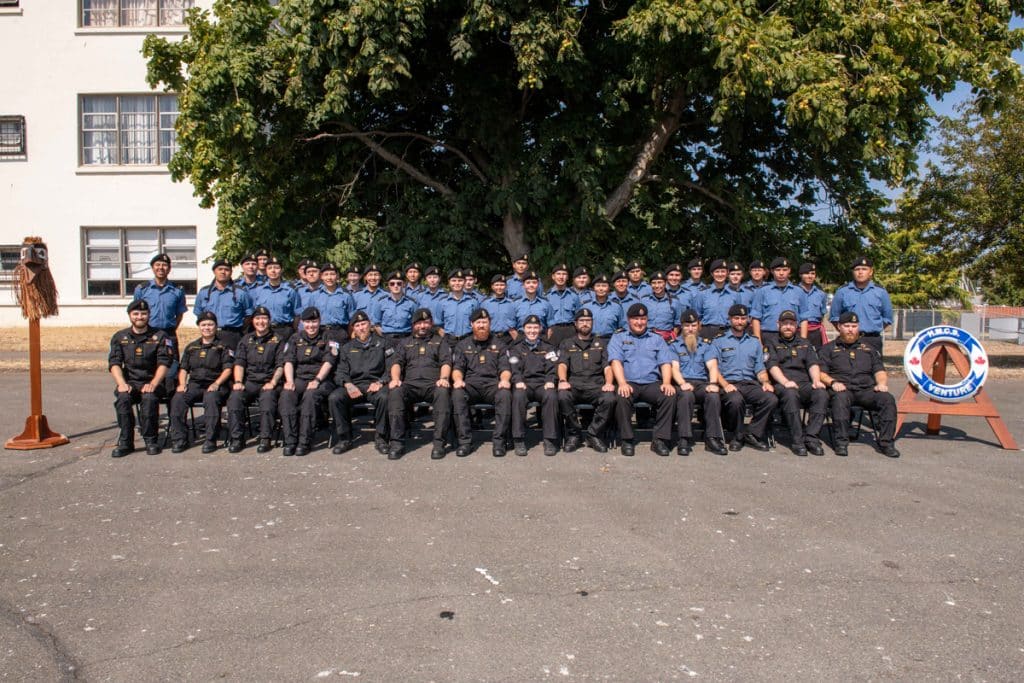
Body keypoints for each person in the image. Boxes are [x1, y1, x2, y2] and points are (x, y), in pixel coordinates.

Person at [817, 311, 900, 457]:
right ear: (839, 327)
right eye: (847, 326)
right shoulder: (828, 349)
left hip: (865, 390)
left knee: (887, 399)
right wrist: (833, 382)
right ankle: (841, 442)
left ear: (858, 327)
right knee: (840, 399)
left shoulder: (869, 349)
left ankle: (886, 443)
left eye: (854, 326)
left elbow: (879, 370)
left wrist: (881, 384)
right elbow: (821, 373)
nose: (850, 329)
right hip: (842, 389)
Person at [607, 303, 676, 456]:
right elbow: (615, 361)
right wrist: (622, 383)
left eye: (643, 319)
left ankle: (660, 439)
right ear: (628, 320)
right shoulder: (619, 337)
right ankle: (627, 439)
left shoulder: (656, 339)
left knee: (669, 395)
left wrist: (666, 383)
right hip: (629, 382)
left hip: (651, 383)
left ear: (647, 320)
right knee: (621, 396)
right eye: (635, 319)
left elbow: (665, 362)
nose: (639, 322)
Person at [108, 300, 173, 457]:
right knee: (122, 399)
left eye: (143, 314)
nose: (140, 317)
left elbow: (164, 363)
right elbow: (114, 363)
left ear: (148, 315)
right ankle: (126, 442)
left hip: (153, 381)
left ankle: (151, 440)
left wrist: (153, 384)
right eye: (136, 314)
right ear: (130, 315)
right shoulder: (120, 337)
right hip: (129, 382)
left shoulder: (160, 336)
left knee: (149, 399)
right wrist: (122, 384)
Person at [387, 308, 452, 460]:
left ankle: (439, 443)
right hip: (410, 385)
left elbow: (446, 362)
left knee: (443, 393)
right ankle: (397, 443)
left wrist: (444, 378)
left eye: (426, 323)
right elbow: (397, 363)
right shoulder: (404, 343)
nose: (423, 326)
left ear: (431, 324)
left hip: (432, 385)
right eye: (419, 323)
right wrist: (395, 379)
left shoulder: (440, 341)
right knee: (396, 392)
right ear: (413, 325)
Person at [712, 304, 778, 452]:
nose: (740, 321)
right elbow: (713, 368)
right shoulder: (718, 341)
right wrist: (725, 384)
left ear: (748, 320)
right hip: (728, 383)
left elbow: (759, 368)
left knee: (770, 398)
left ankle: (752, 433)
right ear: (729, 319)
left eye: (743, 318)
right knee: (735, 401)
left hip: (749, 383)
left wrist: (766, 382)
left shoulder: (754, 342)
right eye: (736, 318)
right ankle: (737, 436)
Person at [450, 308, 513, 457]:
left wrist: (504, 380)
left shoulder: (500, 344)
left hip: (492, 385)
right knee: (457, 395)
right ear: (472, 324)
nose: (482, 325)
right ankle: (465, 442)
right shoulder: (462, 345)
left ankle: (499, 442)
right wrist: (458, 380)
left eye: (485, 322)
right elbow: (458, 368)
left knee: (505, 395)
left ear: (490, 324)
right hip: (471, 385)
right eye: (478, 322)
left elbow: (505, 368)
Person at [169, 311, 233, 453]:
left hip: (216, 385)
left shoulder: (223, 347)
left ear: (216, 326)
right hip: (195, 385)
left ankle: (210, 439)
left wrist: (217, 383)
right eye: (203, 325)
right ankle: (180, 439)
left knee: (211, 398)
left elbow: (228, 369)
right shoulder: (192, 347)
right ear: (199, 326)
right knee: (178, 398)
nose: (207, 328)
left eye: (210, 324)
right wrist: (181, 384)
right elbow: (184, 368)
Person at [766, 310, 828, 456]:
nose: (788, 327)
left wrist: (816, 381)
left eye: (792, 324)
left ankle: (811, 438)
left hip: (804, 383)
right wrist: (785, 382)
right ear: (778, 325)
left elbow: (813, 364)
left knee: (821, 394)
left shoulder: (805, 343)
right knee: (791, 394)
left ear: (796, 326)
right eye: (785, 323)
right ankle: (797, 440)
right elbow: (772, 366)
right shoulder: (771, 343)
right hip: (782, 384)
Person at [328, 310, 390, 455]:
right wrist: (348, 384)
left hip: (375, 385)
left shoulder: (383, 344)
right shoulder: (347, 348)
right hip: (354, 385)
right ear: (353, 329)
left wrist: (381, 382)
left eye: (364, 324)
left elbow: (391, 367)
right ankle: (344, 438)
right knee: (335, 398)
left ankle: (381, 438)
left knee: (385, 398)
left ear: (370, 325)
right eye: (358, 325)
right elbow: (340, 372)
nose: (361, 328)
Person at [279, 307, 338, 456]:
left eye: (314, 322)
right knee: (287, 395)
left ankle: (304, 442)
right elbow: (288, 361)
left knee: (310, 397)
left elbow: (329, 361)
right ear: (302, 323)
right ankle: (290, 440)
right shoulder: (295, 338)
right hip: (299, 378)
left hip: (323, 379)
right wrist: (289, 381)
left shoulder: (328, 337)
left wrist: (317, 379)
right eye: (307, 322)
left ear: (319, 321)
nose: (311, 326)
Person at [226, 306, 286, 453]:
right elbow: (239, 363)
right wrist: (238, 382)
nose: (261, 322)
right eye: (258, 319)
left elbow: (281, 364)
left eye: (264, 319)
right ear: (253, 321)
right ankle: (237, 438)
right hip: (250, 381)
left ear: (269, 321)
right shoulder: (246, 340)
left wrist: (272, 382)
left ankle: (265, 438)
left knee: (267, 399)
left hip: (269, 381)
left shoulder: (278, 340)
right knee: (235, 398)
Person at [557, 308, 615, 453]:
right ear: (575, 324)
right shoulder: (567, 343)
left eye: (588, 321)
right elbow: (562, 364)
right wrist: (563, 380)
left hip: (595, 384)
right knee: (563, 396)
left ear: (592, 323)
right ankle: (574, 434)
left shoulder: (601, 343)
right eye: (582, 321)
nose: (585, 323)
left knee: (609, 399)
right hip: (575, 384)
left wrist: (608, 383)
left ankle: (593, 434)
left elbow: (607, 367)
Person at [670, 310, 728, 456]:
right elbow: (674, 368)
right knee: (686, 396)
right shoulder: (674, 345)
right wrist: (682, 383)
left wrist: (714, 383)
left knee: (713, 396)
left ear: (699, 326)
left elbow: (712, 366)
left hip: (702, 382)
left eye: (693, 325)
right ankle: (684, 438)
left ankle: (712, 438)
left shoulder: (706, 345)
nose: (690, 329)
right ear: (681, 326)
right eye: (687, 325)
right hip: (682, 382)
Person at [508, 314, 561, 456]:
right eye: (529, 327)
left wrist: (550, 380)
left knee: (551, 396)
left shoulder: (549, 348)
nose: (532, 331)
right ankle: (518, 439)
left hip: (542, 384)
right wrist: (518, 380)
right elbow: (514, 368)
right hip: (523, 384)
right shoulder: (515, 348)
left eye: (535, 327)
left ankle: (550, 439)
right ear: (523, 329)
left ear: (541, 329)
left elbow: (552, 367)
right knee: (518, 396)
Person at [829, 256, 893, 355]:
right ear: (853, 272)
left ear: (871, 272)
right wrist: (847, 332)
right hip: (848, 340)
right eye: (857, 269)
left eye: (864, 269)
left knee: (874, 369)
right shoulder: (843, 292)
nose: (860, 272)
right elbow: (834, 317)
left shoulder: (880, 292)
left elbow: (887, 318)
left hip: (872, 340)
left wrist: (873, 329)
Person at [132, 252, 186, 356]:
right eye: (157, 265)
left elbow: (180, 313)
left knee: (172, 366)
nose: (161, 268)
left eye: (164, 265)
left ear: (169, 269)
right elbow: (135, 312)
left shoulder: (177, 290)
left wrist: (172, 328)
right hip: (147, 333)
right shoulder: (142, 289)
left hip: (169, 334)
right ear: (152, 268)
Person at [193, 259, 253, 350]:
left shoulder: (241, 293)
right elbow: (199, 313)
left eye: (226, 269)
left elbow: (249, 315)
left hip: (233, 336)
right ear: (214, 271)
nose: (223, 272)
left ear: (231, 272)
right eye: (220, 269)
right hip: (210, 335)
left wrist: (238, 328)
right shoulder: (204, 292)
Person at [750, 257, 804, 348]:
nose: (781, 273)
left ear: (789, 271)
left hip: (792, 335)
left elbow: (804, 319)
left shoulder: (798, 291)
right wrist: (758, 342)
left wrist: (803, 341)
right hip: (768, 335)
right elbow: (756, 318)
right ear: (772, 271)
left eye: (784, 270)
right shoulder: (762, 291)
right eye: (778, 270)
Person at [251, 256, 300, 341]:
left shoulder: (291, 290)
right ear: (266, 270)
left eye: (276, 268)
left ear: (281, 270)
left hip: (285, 331)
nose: (273, 271)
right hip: (265, 331)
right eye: (270, 268)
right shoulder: (259, 290)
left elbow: (297, 314)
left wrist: (292, 330)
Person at [693, 259, 740, 342]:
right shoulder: (702, 293)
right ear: (712, 274)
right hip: (707, 333)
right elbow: (697, 317)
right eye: (717, 271)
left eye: (723, 271)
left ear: (727, 273)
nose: (720, 274)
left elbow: (738, 315)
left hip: (728, 332)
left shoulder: (735, 294)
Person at [314, 262, 355, 343]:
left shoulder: (346, 295)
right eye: (326, 274)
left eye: (332, 274)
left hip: (339, 333)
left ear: (337, 276)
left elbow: (352, 320)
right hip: (320, 333)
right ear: (321, 276)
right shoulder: (315, 295)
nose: (329, 277)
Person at [373, 271, 418, 342]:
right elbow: (376, 324)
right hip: (386, 339)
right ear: (388, 285)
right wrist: (384, 338)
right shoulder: (381, 302)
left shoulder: (411, 303)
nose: (395, 286)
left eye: (399, 283)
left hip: (406, 338)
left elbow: (416, 323)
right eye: (392, 284)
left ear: (403, 285)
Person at [438, 268, 479, 341]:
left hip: (468, 340)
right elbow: (438, 322)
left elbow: (477, 322)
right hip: (448, 341)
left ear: (464, 282)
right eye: (453, 280)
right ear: (449, 282)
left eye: (460, 280)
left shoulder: (473, 302)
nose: (457, 283)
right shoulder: (442, 302)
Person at [546, 263, 581, 346]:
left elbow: (579, 316)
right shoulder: (547, 296)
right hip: (553, 331)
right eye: (558, 274)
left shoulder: (574, 296)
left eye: (564, 274)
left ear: (568, 277)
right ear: (553, 276)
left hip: (570, 330)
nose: (561, 277)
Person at [641, 270, 683, 341]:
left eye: (660, 282)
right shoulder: (644, 300)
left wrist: (672, 337)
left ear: (665, 283)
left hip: (666, 339)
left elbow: (678, 323)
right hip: (646, 338)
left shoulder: (674, 301)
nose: (657, 286)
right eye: (654, 283)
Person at [797, 262, 829, 348]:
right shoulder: (793, 292)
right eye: (807, 273)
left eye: (812, 273)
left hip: (815, 331)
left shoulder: (821, 294)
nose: (810, 276)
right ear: (800, 275)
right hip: (797, 330)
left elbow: (822, 314)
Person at [480, 274, 518, 343]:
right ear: (492, 286)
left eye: (502, 285)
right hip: (490, 337)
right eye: (497, 285)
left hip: (508, 338)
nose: (499, 287)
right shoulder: (485, 304)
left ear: (506, 287)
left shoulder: (513, 303)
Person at [588, 274, 625, 340]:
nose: (601, 289)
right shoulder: (586, 306)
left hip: (611, 340)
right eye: (598, 286)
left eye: (604, 286)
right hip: (591, 340)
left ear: (608, 288)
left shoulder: (616, 307)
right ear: (594, 288)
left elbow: (622, 327)